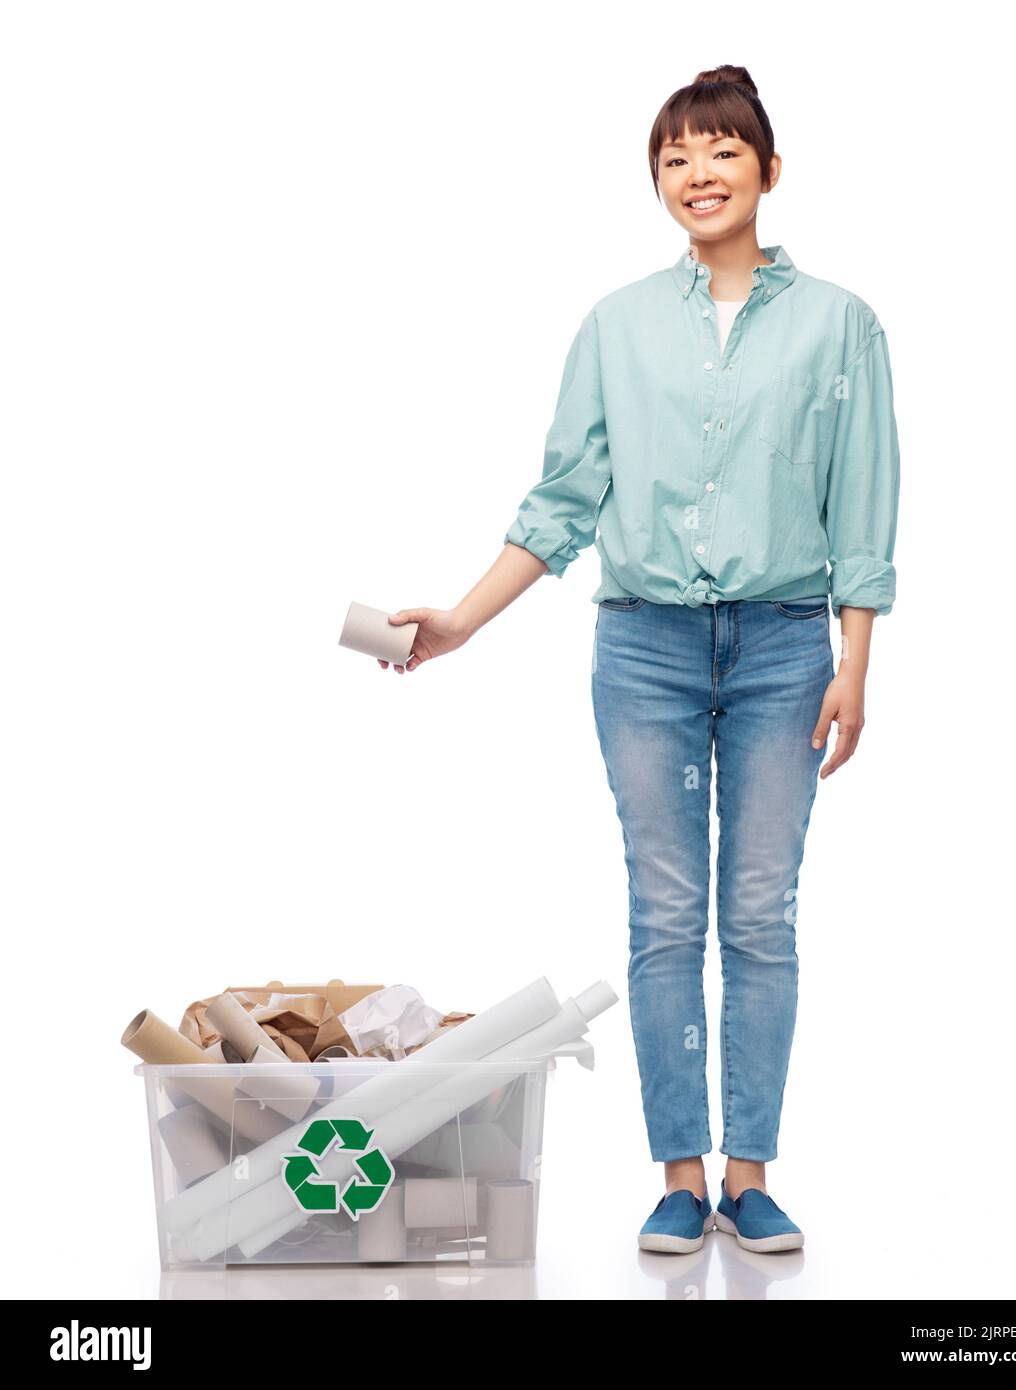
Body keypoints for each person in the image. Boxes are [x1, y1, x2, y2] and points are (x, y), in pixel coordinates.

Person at [376, 65, 900, 1257]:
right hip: (645, 648)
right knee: (667, 914)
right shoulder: (615, 325)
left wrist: (854, 661)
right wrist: (462, 617)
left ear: (770, 169)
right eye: (674, 158)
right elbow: (564, 501)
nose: (697, 175)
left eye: (721, 151)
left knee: (760, 915)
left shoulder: (842, 326)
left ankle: (751, 1173)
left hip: (782, 646)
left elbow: (863, 507)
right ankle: (678, 1175)